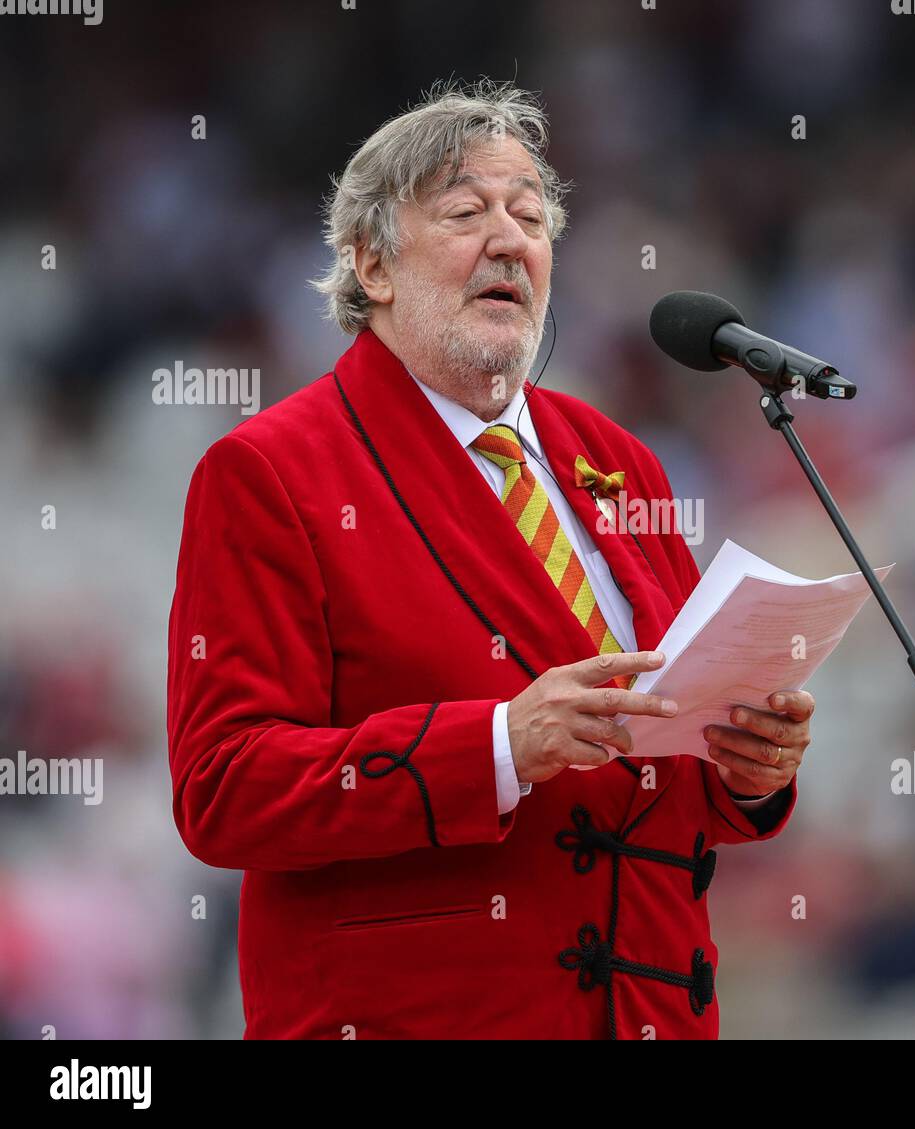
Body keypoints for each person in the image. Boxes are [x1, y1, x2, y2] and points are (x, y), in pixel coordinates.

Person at [166, 79, 814, 1039]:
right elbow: (223, 787)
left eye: (530, 216)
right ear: (371, 266)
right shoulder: (271, 471)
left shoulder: (616, 458)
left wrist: (746, 769)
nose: (510, 239)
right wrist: (501, 745)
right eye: (466, 213)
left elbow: (654, 763)